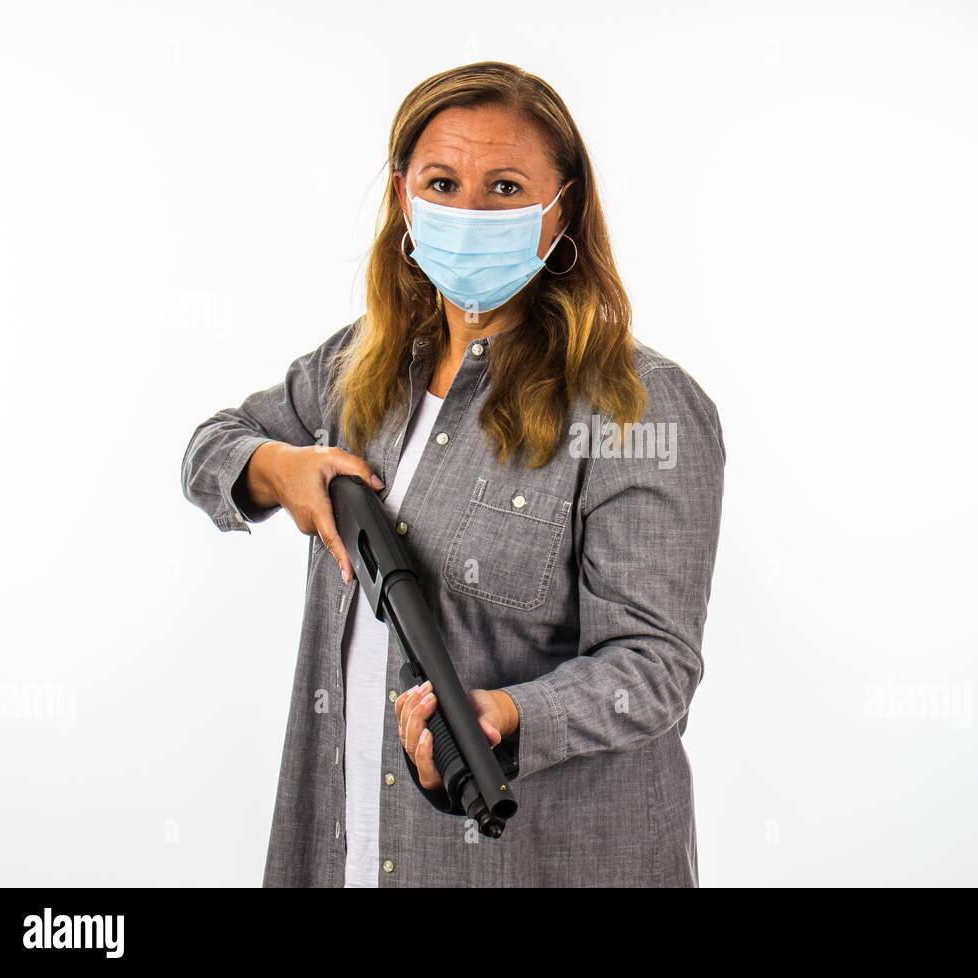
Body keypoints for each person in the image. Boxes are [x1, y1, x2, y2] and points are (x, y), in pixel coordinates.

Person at [180, 61, 726, 887]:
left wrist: (509, 715)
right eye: (442, 183)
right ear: (405, 199)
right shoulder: (358, 368)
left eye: (505, 188)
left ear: (562, 208)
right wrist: (277, 467)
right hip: (351, 847)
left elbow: (654, 665)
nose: (469, 213)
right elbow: (211, 445)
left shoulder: (637, 407)